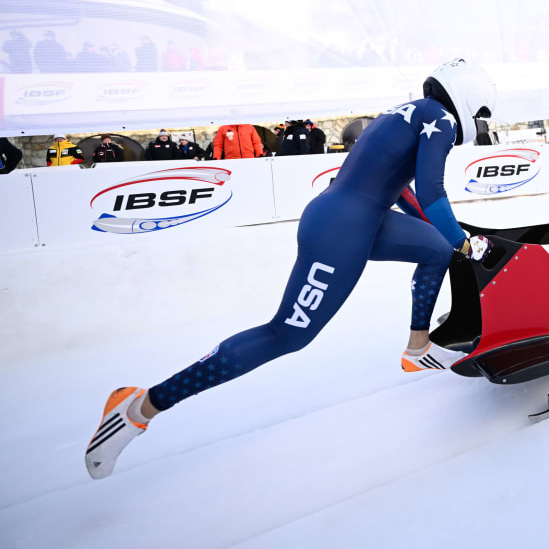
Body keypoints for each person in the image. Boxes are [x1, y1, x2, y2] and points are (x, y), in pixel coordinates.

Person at [84, 59, 498, 479]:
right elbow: (432, 191)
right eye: (481, 118)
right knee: (286, 334)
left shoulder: (408, 111)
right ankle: (141, 404)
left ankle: (418, 347)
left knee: (435, 249)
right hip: (343, 229)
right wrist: (462, 239)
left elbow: (401, 187)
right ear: (469, 101)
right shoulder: (442, 119)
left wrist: (448, 237)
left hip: (353, 215)